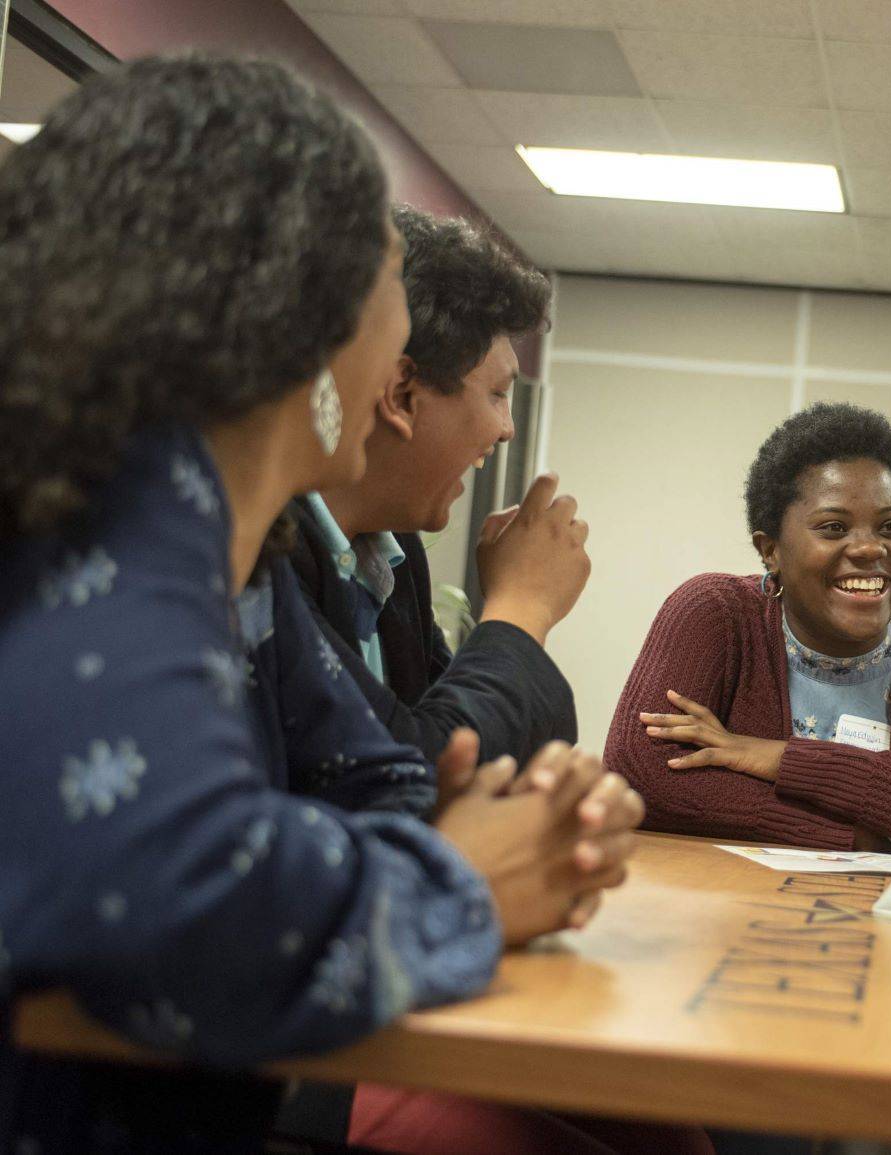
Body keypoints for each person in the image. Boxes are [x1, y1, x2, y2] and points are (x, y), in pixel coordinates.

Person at [0, 54, 636, 1154]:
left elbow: (367, 778)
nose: (399, 334)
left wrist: (508, 827)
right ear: (299, 310)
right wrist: (465, 878)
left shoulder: (237, 552)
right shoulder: (110, 512)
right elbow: (179, 911)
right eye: (389, 280)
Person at [606, 402, 891, 848]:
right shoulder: (715, 616)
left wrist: (784, 760)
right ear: (771, 551)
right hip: (731, 913)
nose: (868, 548)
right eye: (834, 527)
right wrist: (857, 834)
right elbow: (642, 775)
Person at [290, 204, 587, 766]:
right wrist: (521, 607)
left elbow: (506, 764)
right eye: (498, 394)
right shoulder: (263, 550)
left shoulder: (393, 557)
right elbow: (408, 776)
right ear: (401, 394)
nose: (507, 430)